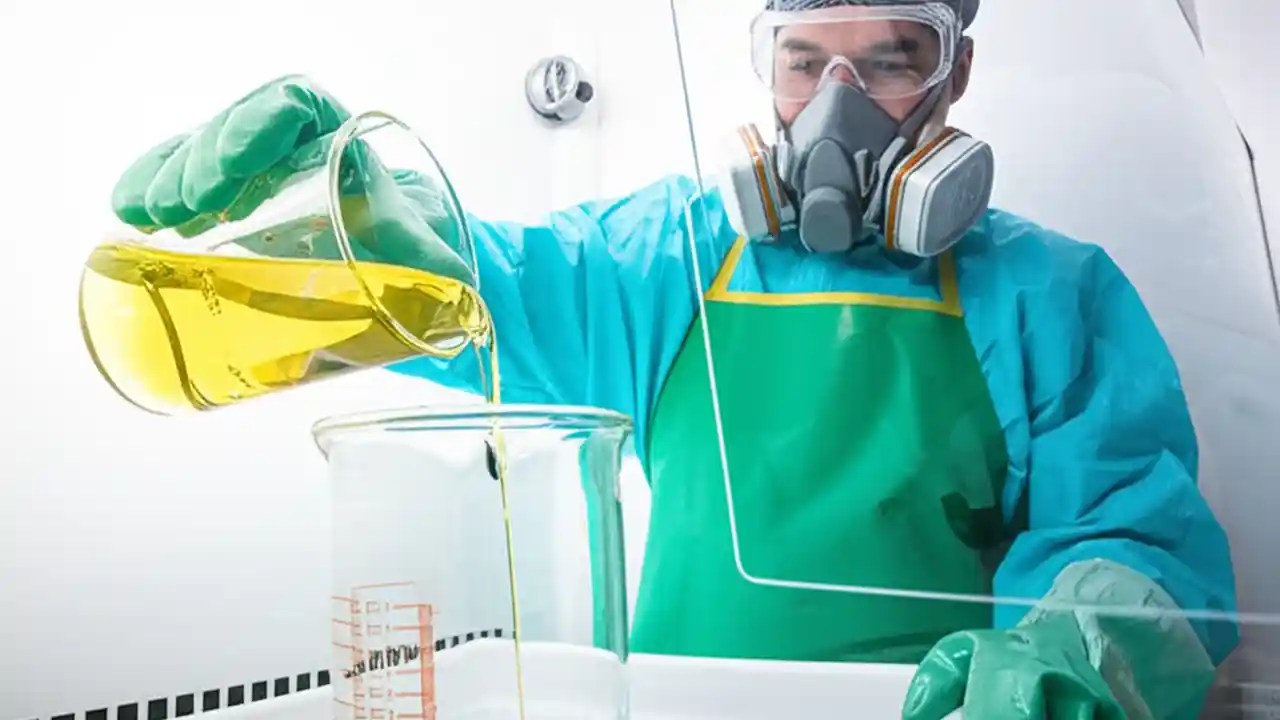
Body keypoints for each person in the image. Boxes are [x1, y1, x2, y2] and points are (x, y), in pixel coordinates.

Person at [108, 1, 1240, 716]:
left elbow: (1127, 538)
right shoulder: (670, 259)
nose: (834, 110)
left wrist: (1075, 660)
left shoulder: (1049, 291)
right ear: (765, 72)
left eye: (889, 60)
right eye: (802, 64)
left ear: (953, 73)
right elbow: (475, 295)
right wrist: (360, 215)